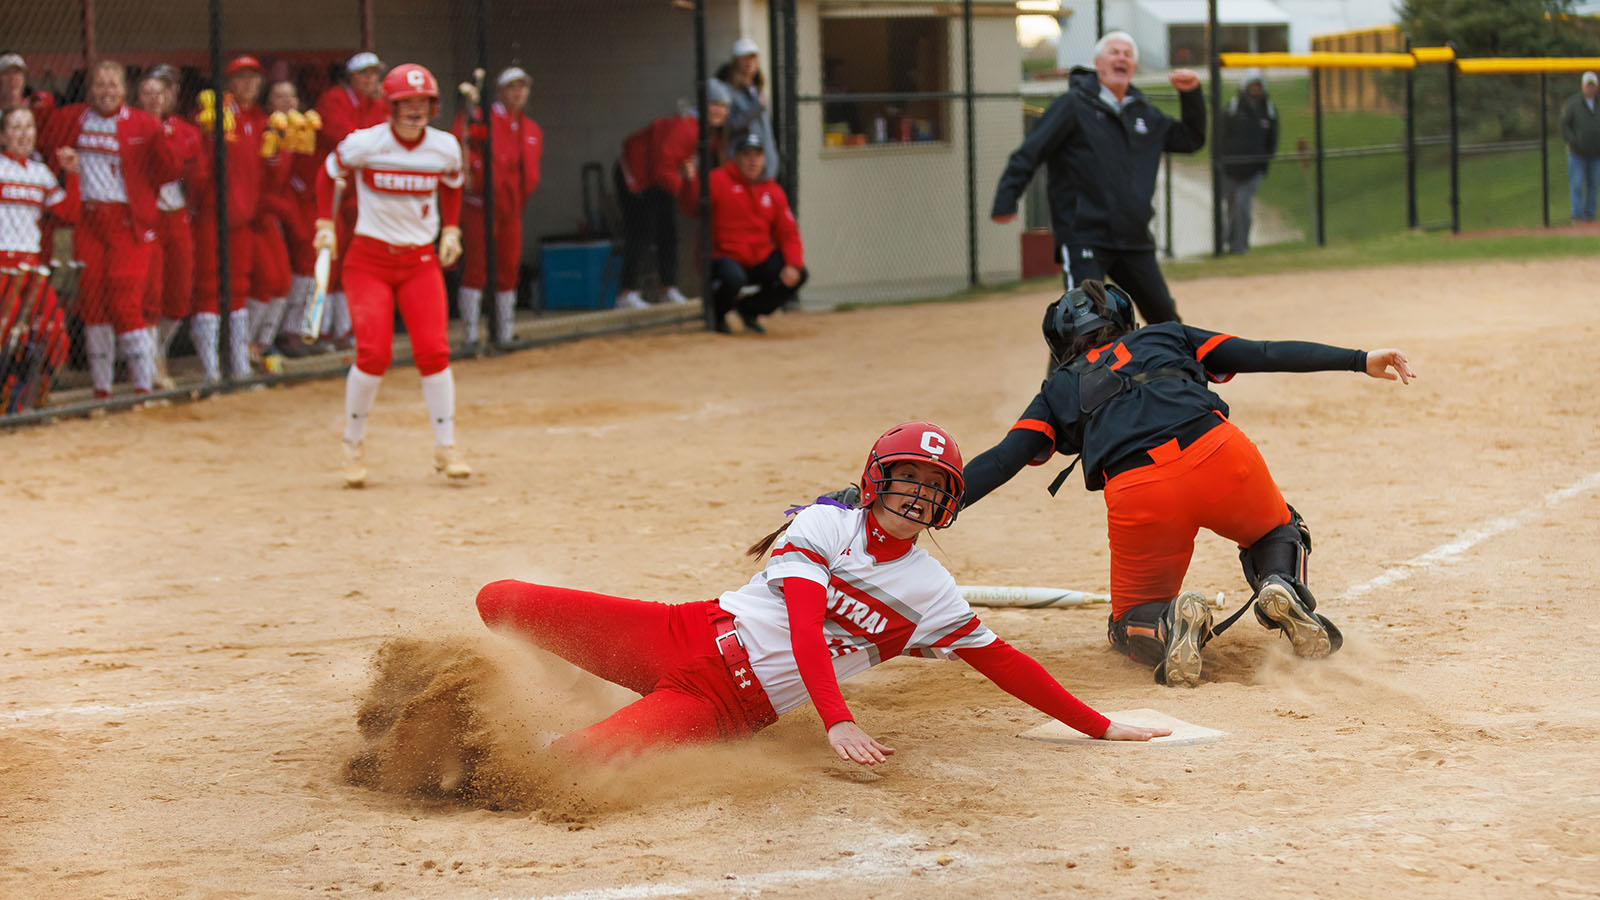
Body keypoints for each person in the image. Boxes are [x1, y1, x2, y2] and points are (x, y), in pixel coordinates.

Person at [475, 422, 1170, 765]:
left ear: (946, 507)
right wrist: (837, 719)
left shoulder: (931, 590)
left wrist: (1099, 725)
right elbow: (805, 627)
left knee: (559, 767)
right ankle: (576, 684)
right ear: (876, 480)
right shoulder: (825, 525)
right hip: (683, 631)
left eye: (934, 488)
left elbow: (1006, 664)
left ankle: (564, 734)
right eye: (908, 477)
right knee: (500, 600)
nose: (918, 495)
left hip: (723, 703)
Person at [959, 281, 1416, 687]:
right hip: (1220, 455)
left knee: (1127, 622)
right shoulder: (1166, 335)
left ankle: (1169, 622)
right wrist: (1358, 359)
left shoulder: (1058, 387)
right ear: (1126, 320)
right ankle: (1280, 583)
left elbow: (1002, 460)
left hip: (1140, 490)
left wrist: (939, 503)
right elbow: (1262, 352)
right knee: (1278, 530)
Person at [315, 62, 469, 487]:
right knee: (374, 354)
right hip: (369, 261)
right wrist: (325, 223)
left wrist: (451, 228)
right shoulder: (366, 143)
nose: (415, 109)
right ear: (391, 106)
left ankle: (446, 446)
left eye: (423, 102)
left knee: (434, 351)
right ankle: (353, 443)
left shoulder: (444, 147)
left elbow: (452, 183)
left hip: (419, 261)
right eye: (406, 102)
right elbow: (329, 174)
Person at [990, 32, 1204, 325]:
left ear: (1133, 67)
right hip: (1084, 236)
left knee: (1166, 321)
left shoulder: (1144, 113)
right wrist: (1006, 198)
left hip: (1133, 238)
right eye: (1114, 52)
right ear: (1098, 63)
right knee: (1086, 323)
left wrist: (1191, 95)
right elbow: (1031, 151)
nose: (1121, 58)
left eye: (1128, 54)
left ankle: (1170, 358)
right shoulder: (1072, 106)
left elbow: (1190, 139)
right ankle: (1073, 359)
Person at [40, 59, 177, 399]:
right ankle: (102, 391)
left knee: (124, 300)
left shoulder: (143, 123)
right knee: (93, 303)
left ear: (124, 90)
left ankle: (143, 386)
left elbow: (168, 170)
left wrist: (165, 139)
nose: (106, 91)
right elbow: (43, 136)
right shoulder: (75, 118)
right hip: (89, 220)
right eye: (99, 84)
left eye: (113, 84)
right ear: (89, 89)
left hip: (126, 222)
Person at [613, 81, 730, 310]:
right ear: (703, 104)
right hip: (636, 174)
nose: (720, 110)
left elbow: (685, 172)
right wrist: (684, 190)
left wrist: (687, 187)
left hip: (660, 178)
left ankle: (668, 288)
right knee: (643, 230)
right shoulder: (687, 127)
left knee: (668, 231)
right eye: (714, 104)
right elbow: (662, 168)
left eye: (724, 106)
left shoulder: (710, 134)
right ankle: (626, 293)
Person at [188, 55, 270, 383]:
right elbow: (199, 167)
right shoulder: (215, 111)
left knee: (238, 289)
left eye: (253, 77)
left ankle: (239, 368)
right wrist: (201, 203)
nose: (248, 84)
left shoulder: (259, 119)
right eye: (241, 77)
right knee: (208, 289)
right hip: (212, 215)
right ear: (229, 82)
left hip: (244, 217)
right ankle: (211, 372)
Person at [453, 65, 542, 352]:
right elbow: (461, 145)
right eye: (512, 87)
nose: (518, 93)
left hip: (511, 210)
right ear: (500, 91)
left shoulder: (530, 128)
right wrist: (475, 173)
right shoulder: (482, 118)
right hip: (481, 207)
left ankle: (504, 332)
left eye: (522, 87)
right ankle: (470, 336)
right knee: (476, 269)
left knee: (508, 270)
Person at [310, 51, 390, 348]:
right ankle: (318, 330)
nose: (371, 79)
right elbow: (348, 141)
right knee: (328, 258)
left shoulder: (377, 104)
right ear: (351, 77)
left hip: (360, 195)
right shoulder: (333, 99)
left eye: (374, 74)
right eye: (365, 74)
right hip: (332, 191)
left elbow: (385, 140)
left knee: (350, 263)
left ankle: (343, 329)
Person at [689, 131, 805, 334]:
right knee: (733, 277)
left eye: (758, 155)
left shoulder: (772, 190)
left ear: (764, 159)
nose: (753, 161)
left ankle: (749, 309)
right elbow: (692, 207)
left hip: (757, 259)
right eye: (747, 155)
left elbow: (789, 234)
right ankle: (718, 317)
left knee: (799, 273)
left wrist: (793, 265)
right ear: (735, 157)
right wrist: (690, 182)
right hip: (724, 257)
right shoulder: (717, 180)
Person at [134, 65, 203, 389]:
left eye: (163, 91)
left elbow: (193, 172)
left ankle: (156, 349)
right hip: (147, 217)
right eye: (148, 92)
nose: (155, 98)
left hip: (177, 215)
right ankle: (152, 366)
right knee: (149, 296)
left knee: (178, 297)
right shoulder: (132, 127)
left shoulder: (184, 130)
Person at [0, 106, 78, 269]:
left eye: (29, 126)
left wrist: (72, 173)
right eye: (16, 128)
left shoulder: (41, 172)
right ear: (3, 137)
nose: (24, 134)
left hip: (31, 257)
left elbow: (69, 214)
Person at [1219, 69, 1277, 255]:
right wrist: (1220, 162)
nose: (1255, 89)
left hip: (1253, 170)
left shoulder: (1268, 110)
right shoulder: (1233, 108)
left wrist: (1263, 165)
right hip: (1230, 169)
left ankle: (1240, 246)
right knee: (1232, 207)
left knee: (1242, 205)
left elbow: (1272, 140)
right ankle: (1228, 242)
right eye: (1252, 86)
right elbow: (1220, 137)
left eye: (1258, 86)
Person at [715, 37, 778, 181]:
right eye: (744, 58)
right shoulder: (728, 91)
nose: (749, 63)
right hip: (742, 165)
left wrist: (772, 160)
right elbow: (729, 125)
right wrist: (755, 109)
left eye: (752, 58)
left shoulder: (756, 90)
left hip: (765, 166)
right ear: (736, 61)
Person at [1560, 71, 1600, 223]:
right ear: (1583, 86)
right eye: (1588, 85)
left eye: (1593, 85)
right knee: (1576, 185)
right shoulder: (1573, 103)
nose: (1590, 88)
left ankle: (1589, 216)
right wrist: (1573, 140)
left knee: (1593, 186)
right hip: (1577, 153)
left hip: (1596, 153)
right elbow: (1565, 125)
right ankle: (1577, 217)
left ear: (1596, 86)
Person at [0, 53, 57, 136]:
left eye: (17, 72)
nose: (12, 78)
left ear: (24, 78)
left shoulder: (34, 105)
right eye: (7, 73)